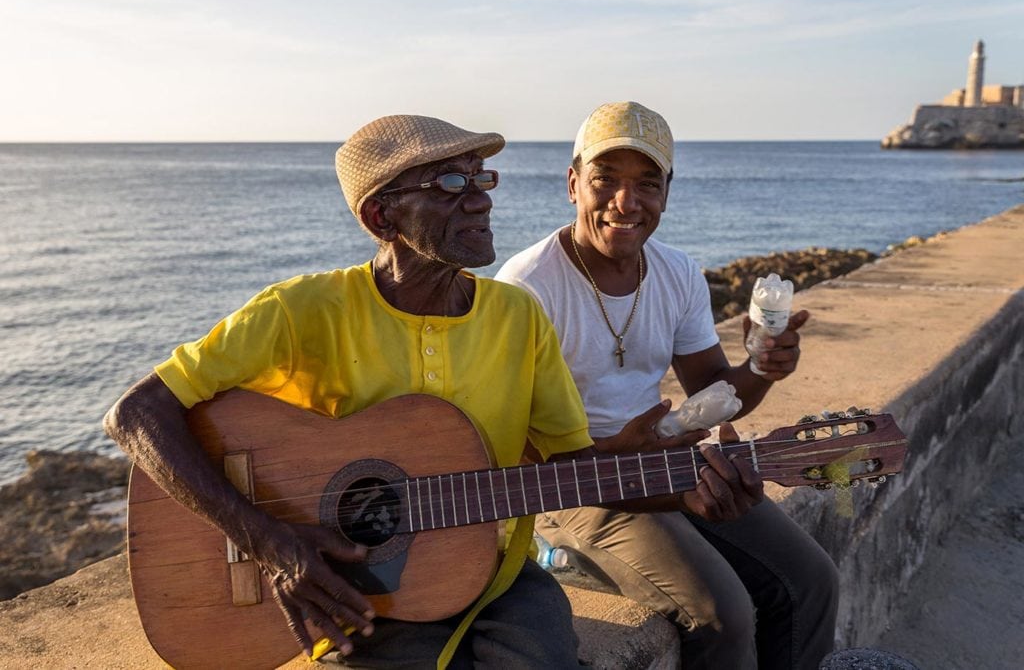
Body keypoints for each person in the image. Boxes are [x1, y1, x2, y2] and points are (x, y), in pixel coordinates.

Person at [103, 114, 757, 669]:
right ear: (380, 214)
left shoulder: (516, 316)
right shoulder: (300, 311)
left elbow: (568, 471)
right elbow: (136, 413)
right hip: (352, 589)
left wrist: (684, 483)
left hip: (496, 575)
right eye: (449, 182)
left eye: (482, 178)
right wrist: (272, 540)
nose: (479, 198)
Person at [495, 101, 840, 670]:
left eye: (647, 184)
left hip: (664, 464)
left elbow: (714, 394)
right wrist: (613, 458)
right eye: (605, 181)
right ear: (573, 183)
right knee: (722, 613)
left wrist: (760, 366)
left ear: (667, 192)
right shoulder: (527, 289)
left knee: (812, 580)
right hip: (570, 487)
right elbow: (512, 451)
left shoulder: (677, 272)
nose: (625, 204)